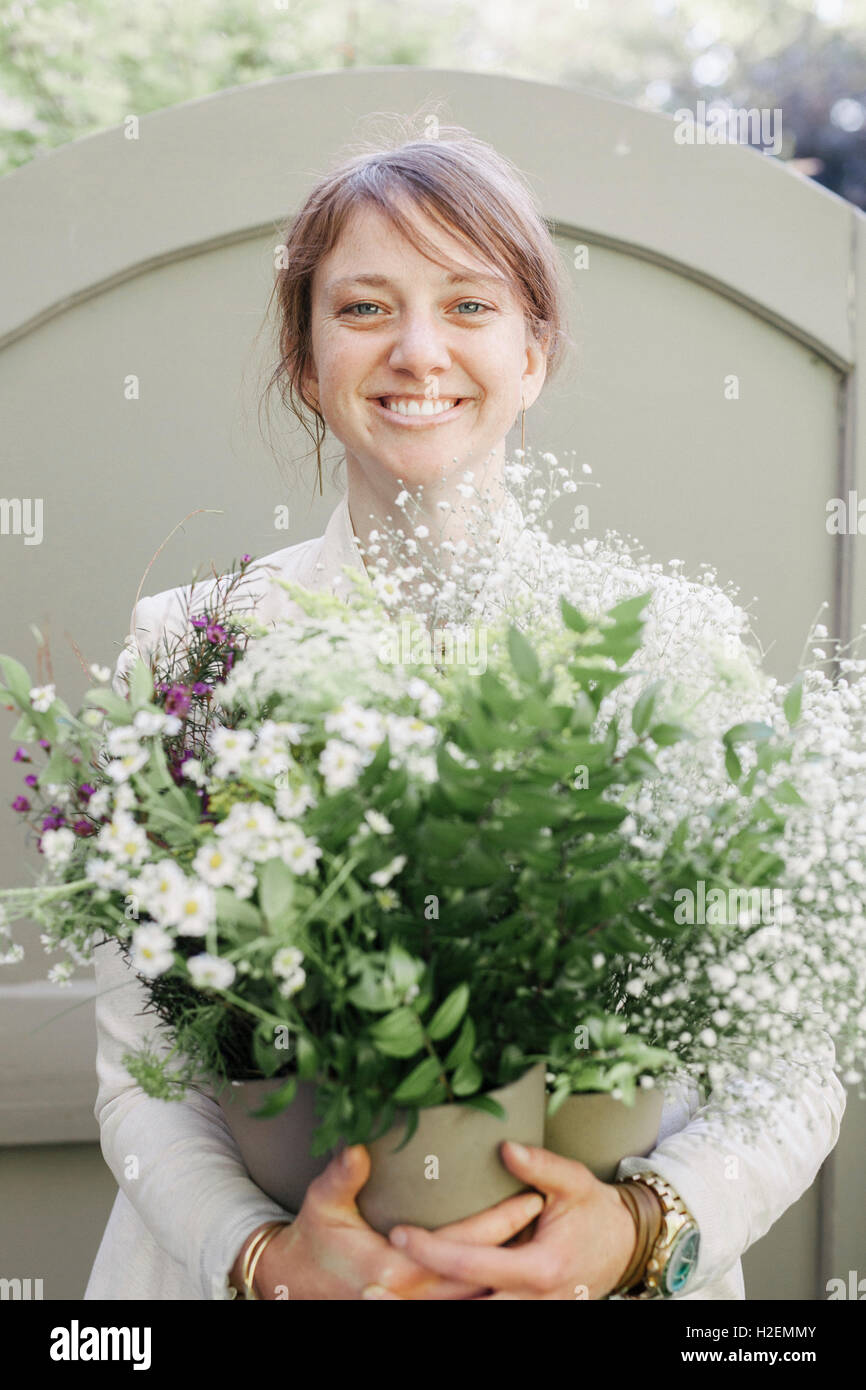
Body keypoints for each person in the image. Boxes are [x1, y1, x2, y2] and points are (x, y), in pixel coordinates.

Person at [85, 123, 845, 1302]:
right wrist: (262, 1257)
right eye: (364, 308)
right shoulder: (189, 653)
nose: (419, 350)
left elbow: (792, 1064)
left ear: (533, 351)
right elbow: (145, 1069)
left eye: (470, 305)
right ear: (303, 357)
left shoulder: (669, 656)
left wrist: (641, 1233)